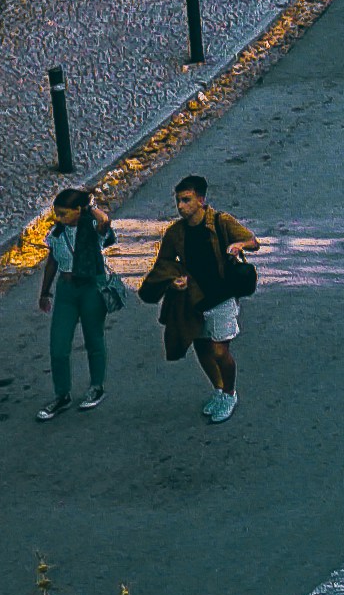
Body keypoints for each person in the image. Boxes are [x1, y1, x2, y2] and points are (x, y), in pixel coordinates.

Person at [142, 174, 261, 423]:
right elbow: (163, 263)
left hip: (223, 295)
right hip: (194, 298)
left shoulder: (220, 221)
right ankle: (218, 390)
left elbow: (253, 242)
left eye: (186, 200)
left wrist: (238, 246)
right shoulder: (175, 233)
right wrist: (174, 278)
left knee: (219, 350)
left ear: (201, 200)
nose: (181, 206)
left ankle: (230, 392)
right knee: (202, 347)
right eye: (178, 201)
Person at [35, 187, 121, 419]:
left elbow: (105, 221)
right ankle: (62, 394)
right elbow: (52, 261)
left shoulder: (92, 228)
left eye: (64, 213)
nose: (59, 218)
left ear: (77, 211)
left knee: (94, 338)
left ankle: (96, 387)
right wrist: (45, 292)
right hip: (66, 290)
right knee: (58, 346)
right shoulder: (57, 233)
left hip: (91, 287)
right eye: (57, 213)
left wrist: (90, 207)